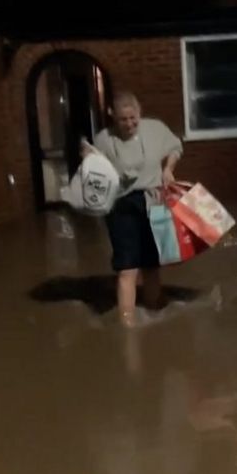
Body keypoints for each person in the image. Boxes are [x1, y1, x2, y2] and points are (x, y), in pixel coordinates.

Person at [82, 92, 183, 326]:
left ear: (140, 113)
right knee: (127, 267)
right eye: (123, 120)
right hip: (121, 206)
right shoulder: (103, 140)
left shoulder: (155, 129)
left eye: (133, 118)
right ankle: (126, 324)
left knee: (151, 263)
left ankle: (155, 307)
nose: (129, 124)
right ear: (112, 116)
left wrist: (168, 169)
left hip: (153, 199)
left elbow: (175, 147)